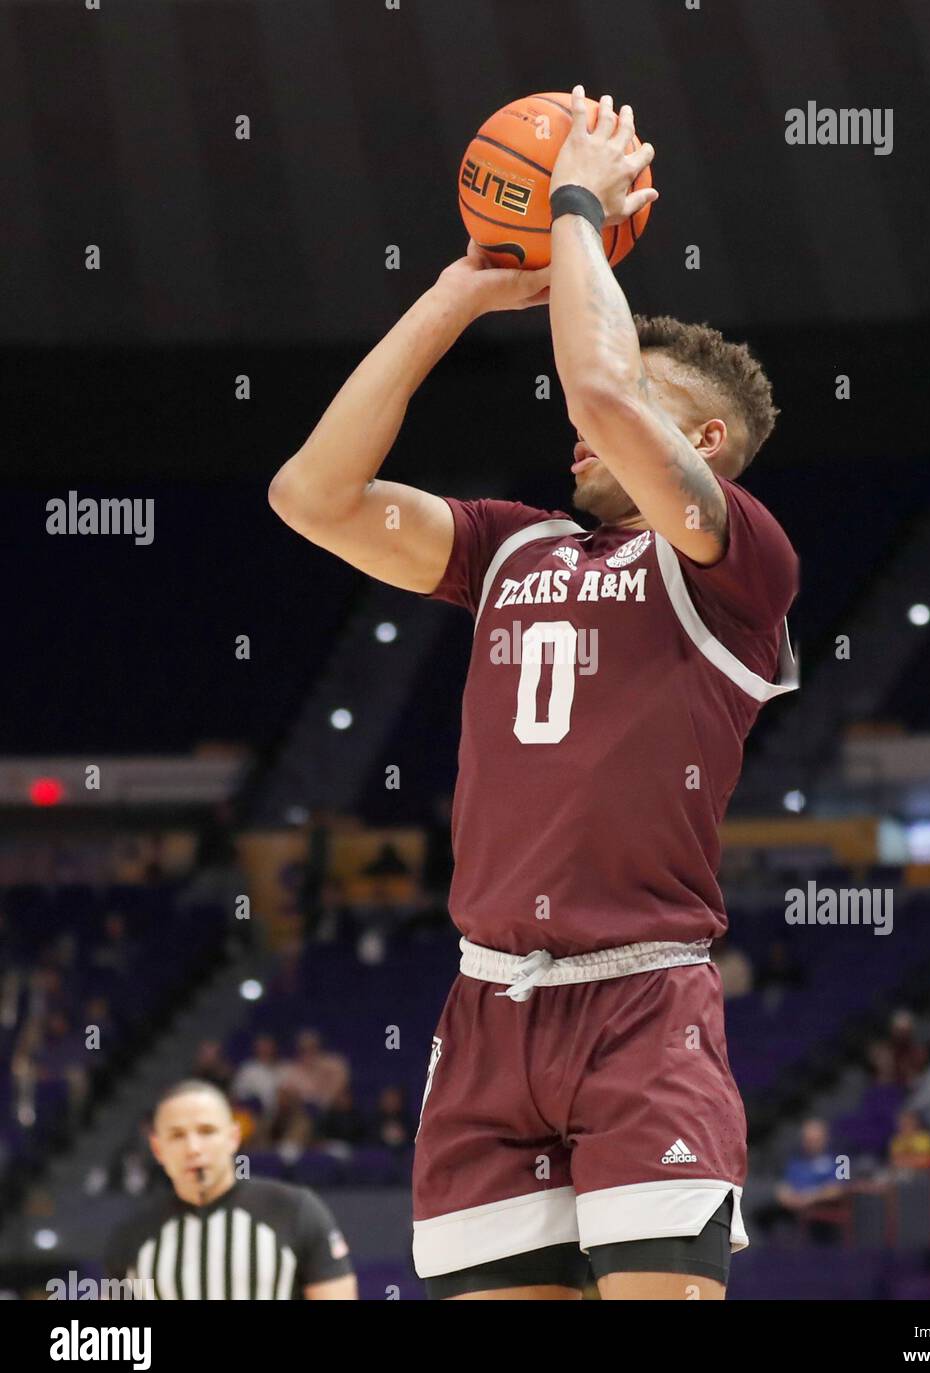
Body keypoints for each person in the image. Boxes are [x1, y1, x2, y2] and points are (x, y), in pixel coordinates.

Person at [269, 86, 797, 1301]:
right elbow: (311, 497)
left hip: (639, 1001)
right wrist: (459, 289)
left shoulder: (734, 561)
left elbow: (606, 394)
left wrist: (575, 208)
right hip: (484, 1009)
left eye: (635, 415)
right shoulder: (510, 546)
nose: (576, 424)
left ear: (700, 447)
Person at [105, 1080, 356, 1299]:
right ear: (158, 1149)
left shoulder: (294, 1211)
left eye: (207, 1131)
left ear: (233, 1138)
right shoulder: (131, 1236)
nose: (193, 1148)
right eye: (177, 1135)